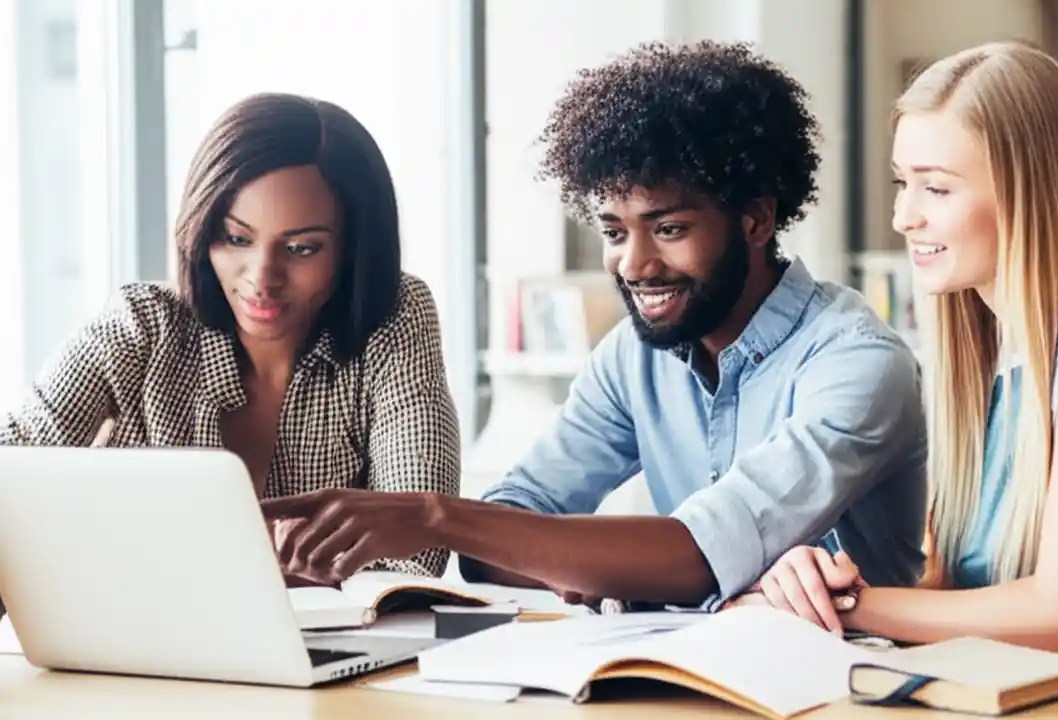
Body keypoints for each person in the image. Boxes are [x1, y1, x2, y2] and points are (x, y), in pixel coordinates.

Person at [263, 41, 927, 617]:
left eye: (669, 229)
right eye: (614, 232)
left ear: (756, 220)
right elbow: (508, 529)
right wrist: (599, 565)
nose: (634, 265)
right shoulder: (634, 357)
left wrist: (441, 518)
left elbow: (703, 554)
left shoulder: (858, 363)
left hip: (853, 679)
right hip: (689, 673)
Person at [733, 41, 1058, 658]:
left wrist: (842, 606)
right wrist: (810, 583)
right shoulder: (983, 357)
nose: (904, 216)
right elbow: (950, 594)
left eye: (936, 189)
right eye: (901, 183)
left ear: (1026, 193)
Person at [0, 93, 461, 583]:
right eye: (237, 239)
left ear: (353, 250)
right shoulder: (142, 324)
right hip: (128, 645)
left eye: (302, 248)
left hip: (318, 651)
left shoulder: (394, 319)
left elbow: (418, 553)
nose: (262, 277)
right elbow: (12, 468)